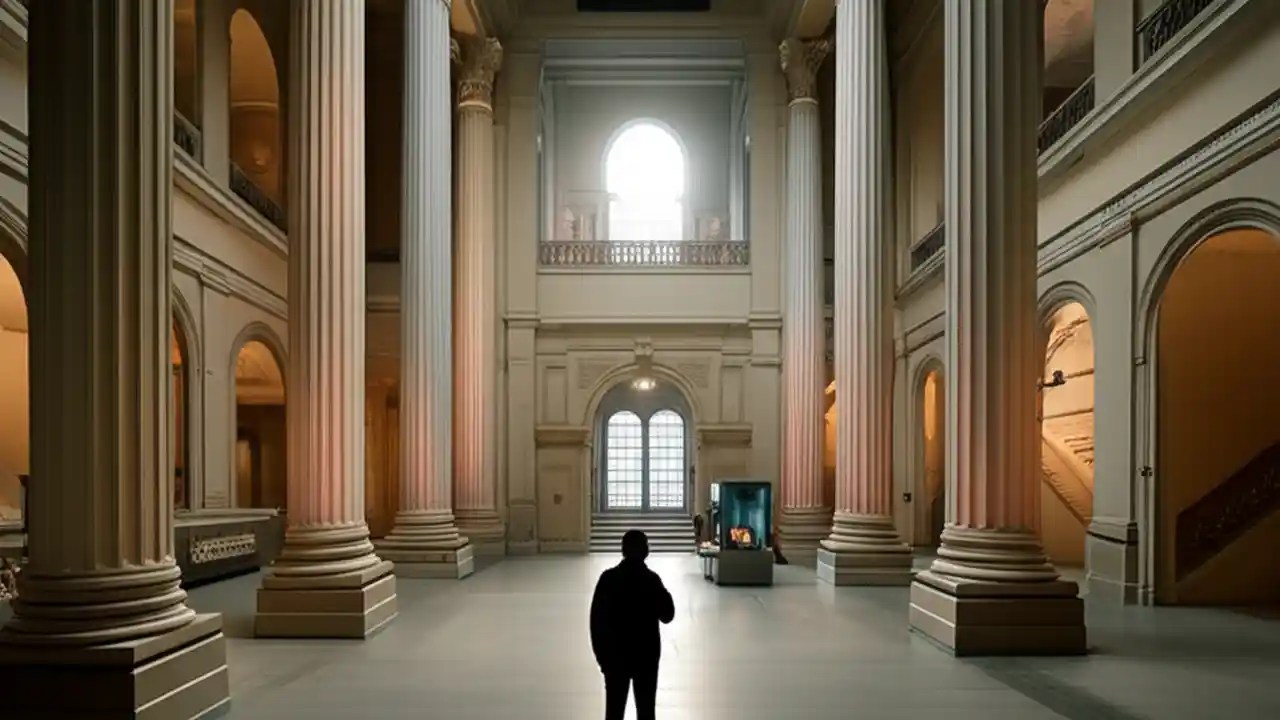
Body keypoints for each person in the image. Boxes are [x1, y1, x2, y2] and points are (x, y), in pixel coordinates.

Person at [590, 530, 675, 720]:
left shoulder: (608, 579)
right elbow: (668, 614)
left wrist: (602, 659)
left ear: (623, 550)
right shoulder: (651, 580)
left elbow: (596, 623)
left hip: (615, 658)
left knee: (614, 712)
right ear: (646, 551)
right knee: (646, 712)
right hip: (645, 658)